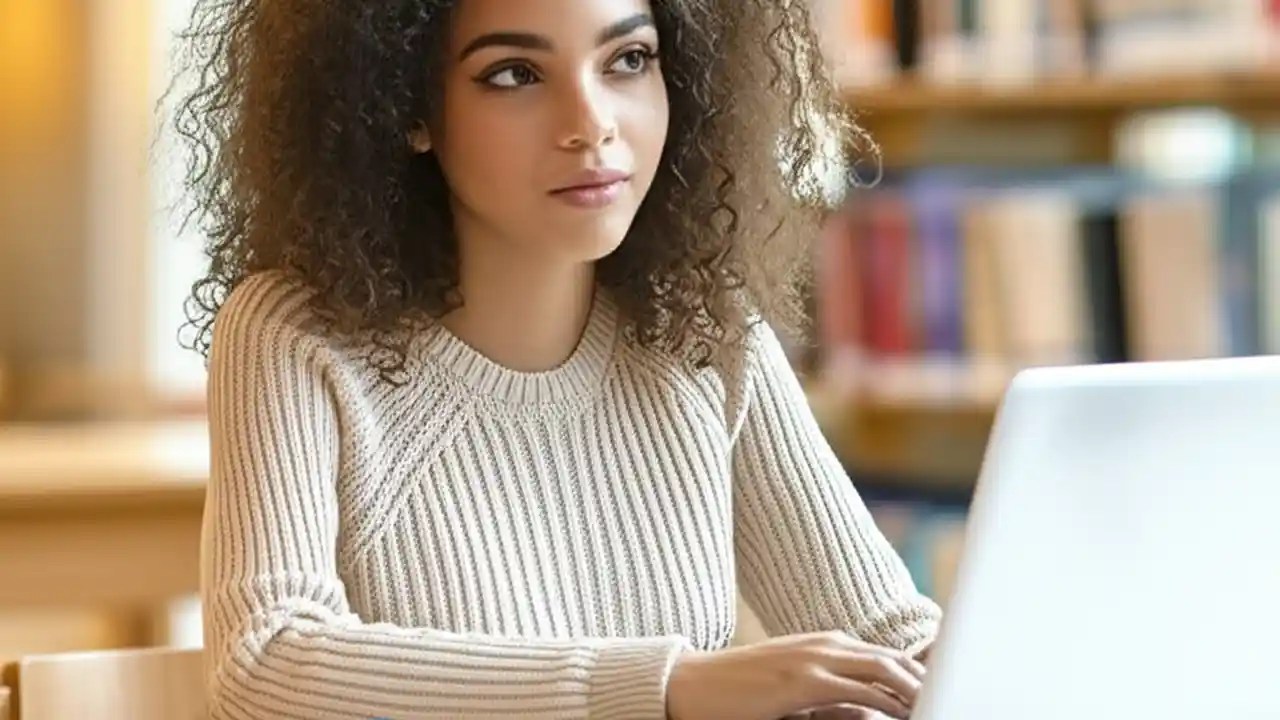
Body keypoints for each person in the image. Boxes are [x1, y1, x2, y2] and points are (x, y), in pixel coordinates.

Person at [170, 0, 942, 717]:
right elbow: (265, 660)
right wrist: (666, 687)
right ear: (407, 108)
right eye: (515, 74)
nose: (591, 123)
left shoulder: (708, 338)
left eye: (629, 60)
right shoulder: (297, 334)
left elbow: (884, 638)